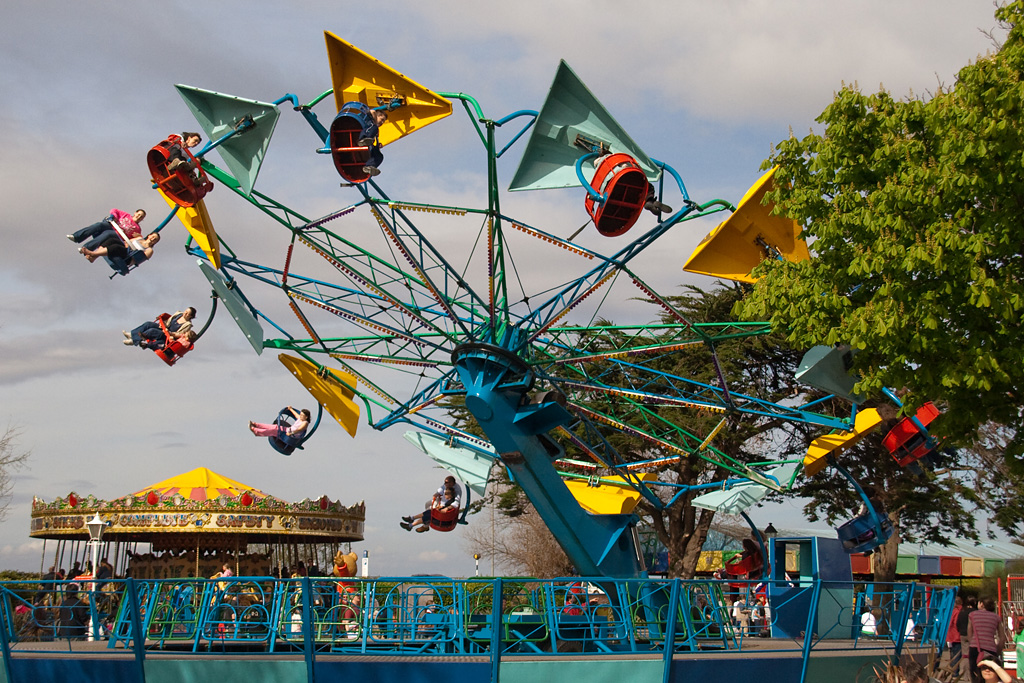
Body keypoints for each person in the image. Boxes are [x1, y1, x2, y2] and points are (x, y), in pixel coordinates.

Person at [339, 102, 387, 176]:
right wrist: (374, 121)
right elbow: (372, 111)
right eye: (382, 119)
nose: (382, 122)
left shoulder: (375, 130)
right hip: (362, 134)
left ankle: (369, 166)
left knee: (379, 156)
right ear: (378, 116)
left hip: (367, 142)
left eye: (383, 121)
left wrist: (377, 146)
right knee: (374, 127)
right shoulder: (370, 120)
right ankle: (364, 139)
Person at [968, 597, 1005, 682]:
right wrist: (997, 651)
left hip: (975, 648)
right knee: (990, 675)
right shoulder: (996, 617)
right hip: (991, 649)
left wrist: (972, 644)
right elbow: (1002, 638)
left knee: (975, 674)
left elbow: (969, 633)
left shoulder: (972, 615)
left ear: (981, 604)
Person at [67, 208, 146, 247]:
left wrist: (137, 237)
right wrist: (114, 216)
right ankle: (77, 236)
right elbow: (114, 210)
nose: (139, 217)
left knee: (108, 234)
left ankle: (87, 247)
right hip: (112, 226)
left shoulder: (137, 229)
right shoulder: (126, 215)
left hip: (117, 235)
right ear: (135, 213)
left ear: (142, 219)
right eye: (138, 214)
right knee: (99, 225)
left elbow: (135, 240)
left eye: (141, 217)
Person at [124, 308, 196, 349]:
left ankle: (133, 341)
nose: (185, 314)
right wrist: (163, 324)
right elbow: (168, 321)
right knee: (148, 324)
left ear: (190, 316)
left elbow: (180, 334)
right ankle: (131, 334)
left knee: (152, 331)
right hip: (164, 328)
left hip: (167, 336)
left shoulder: (187, 325)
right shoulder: (178, 314)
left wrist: (170, 333)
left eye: (187, 314)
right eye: (185, 311)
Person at [79, 231, 160, 267]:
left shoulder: (149, 250)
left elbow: (141, 258)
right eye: (153, 237)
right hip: (125, 249)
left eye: (155, 239)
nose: (153, 239)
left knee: (116, 247)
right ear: (149, 235)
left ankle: (93, 254)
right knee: (112, 240)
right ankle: (94, 257)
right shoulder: (139, 238)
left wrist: (132, 249)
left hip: (129, 257)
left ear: (155, 242)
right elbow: (126, 242)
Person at [947, 595, 964, 674]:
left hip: (951, 635)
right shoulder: (958, 611)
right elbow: (957, 623)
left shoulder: (952, 611)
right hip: (957, 636)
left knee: (953, 654)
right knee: (957, 655)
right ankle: (955, 672)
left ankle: (953, 671)